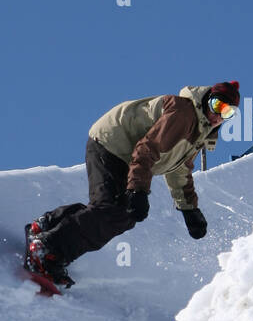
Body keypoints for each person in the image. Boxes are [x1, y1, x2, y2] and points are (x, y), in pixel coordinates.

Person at [24, 81, 240, 288]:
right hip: (112, 143)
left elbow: (180, 169)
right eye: (216, 105)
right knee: (112, 211)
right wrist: (138, 189)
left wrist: (189, 209)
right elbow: (147, 150)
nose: (218, 115)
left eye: (227, 112)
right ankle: (47, 249)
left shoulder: (200, 132)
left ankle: (48, 226)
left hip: (125, 155)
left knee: (121, 214)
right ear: (206, 100)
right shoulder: (184, 114)